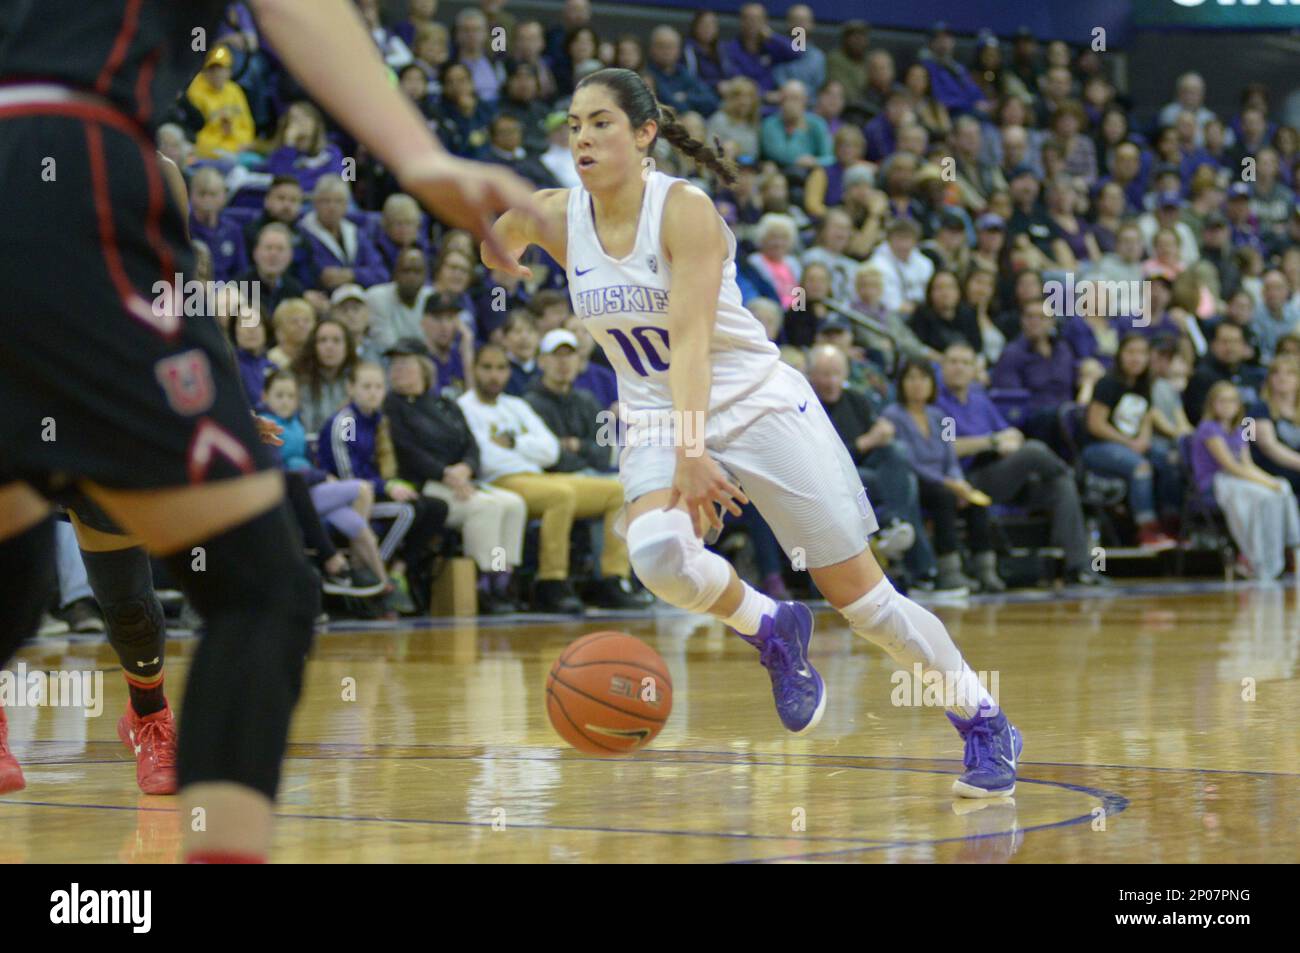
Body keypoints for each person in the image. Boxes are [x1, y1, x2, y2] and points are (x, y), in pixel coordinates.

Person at [0, 0, 541, 862]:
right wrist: (420, 155)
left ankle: (149, 717)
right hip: (70, 164)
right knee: (260, 589)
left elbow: (177, 292)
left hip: (75, 193)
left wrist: (216, 388)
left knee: (18, 579)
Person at [484, 68, 1023, 797]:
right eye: (575, 122)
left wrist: (694, 451)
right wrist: (498, 247)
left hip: (756, 403)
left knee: (866, 604)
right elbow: (503, 228)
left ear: (645, 135)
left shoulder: (685, 211)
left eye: (602, 122)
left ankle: (985, 720)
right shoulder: (556, 214)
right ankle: (770, 626)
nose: (582, 135)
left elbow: (693, 340)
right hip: (652, 411)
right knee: (653, 553)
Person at [936, 343, 1104, 587]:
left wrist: (1007, 441)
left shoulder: (979, 400)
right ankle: (1083, 480)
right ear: (942, 368)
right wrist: (992, 442)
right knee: (1034, 452)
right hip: (967, 478)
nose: (959, 368)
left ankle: (1077, 567)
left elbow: (1011, 433)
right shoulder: (938, 403)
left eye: (965, 362)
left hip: (1002, 472)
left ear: (975, 369)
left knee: (1060, 485)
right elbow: (949, 447)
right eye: (953, 362)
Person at [382, 338, 528, 614]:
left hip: (461, 479)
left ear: (424, 369)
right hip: (426, 483)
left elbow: (471, 444)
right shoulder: (393, 405)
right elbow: (405, 449)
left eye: (405, 364)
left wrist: (466, 467)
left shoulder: (446, 403)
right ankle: (482, 581)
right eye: (394, 365)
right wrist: (445, 473)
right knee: (486, 508)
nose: (397, 370)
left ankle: (503, 577)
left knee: (514, 503)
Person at [884, 360, 1004, 593]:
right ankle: (949, 571)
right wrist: (947, 483)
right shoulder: (893, 416)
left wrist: (959, 482)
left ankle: (985, 569)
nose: (917, 384)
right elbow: (907, 460)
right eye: (911, 378)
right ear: (901, 384)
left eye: (923, 378)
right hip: (916, 482)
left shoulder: (942, 417)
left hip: (947, 480)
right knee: (943, 496)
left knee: (977, 499)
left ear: (932, 383)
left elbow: (950, 454)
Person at [1191, 382, 1300, 580]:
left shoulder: (1244, 426)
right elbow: (1230, 466)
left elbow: (1247, 463)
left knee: (1282, 488)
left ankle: (1287, 549)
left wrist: (1270, 480)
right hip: (1217, 481)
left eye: (1232, 401)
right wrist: (1266, 484)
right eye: (1221, 401)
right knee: (1264, 496)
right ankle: (1254, 557)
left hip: (1239, 477)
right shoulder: (1208, 428)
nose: (1227, 405)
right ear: (1212, 404)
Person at [1081, 334, 1181, 550]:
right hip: (1099, 447)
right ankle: (1147, 529)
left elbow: (1145, 417)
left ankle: (1172, 520)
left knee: (1171, 458)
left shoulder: (1144, 384)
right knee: (1141, 466)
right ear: (1120, 355)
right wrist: (1128, 442)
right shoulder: (1107, 383)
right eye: (1131, 352)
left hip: (1129, 444)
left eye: (1141, 353)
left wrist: (1143, 439)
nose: (1136, 358)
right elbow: (1095, 424)